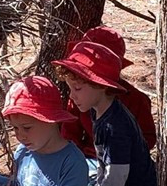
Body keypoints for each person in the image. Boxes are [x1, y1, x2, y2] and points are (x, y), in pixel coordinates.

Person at [52, 42, 159, 186]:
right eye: (69, 88)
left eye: (77, 89)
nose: (72, 96)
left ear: (101, 86)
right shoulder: (98, 112)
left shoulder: (113, 126)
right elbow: (103, 163)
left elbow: (115, 173)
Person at [60, 25, 157, 159]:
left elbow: (148, 137)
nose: (72, 94)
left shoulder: (136, 100)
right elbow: (69, 133)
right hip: (87, 159)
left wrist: (123, 150)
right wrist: (78, 157)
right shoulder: (79, 96)